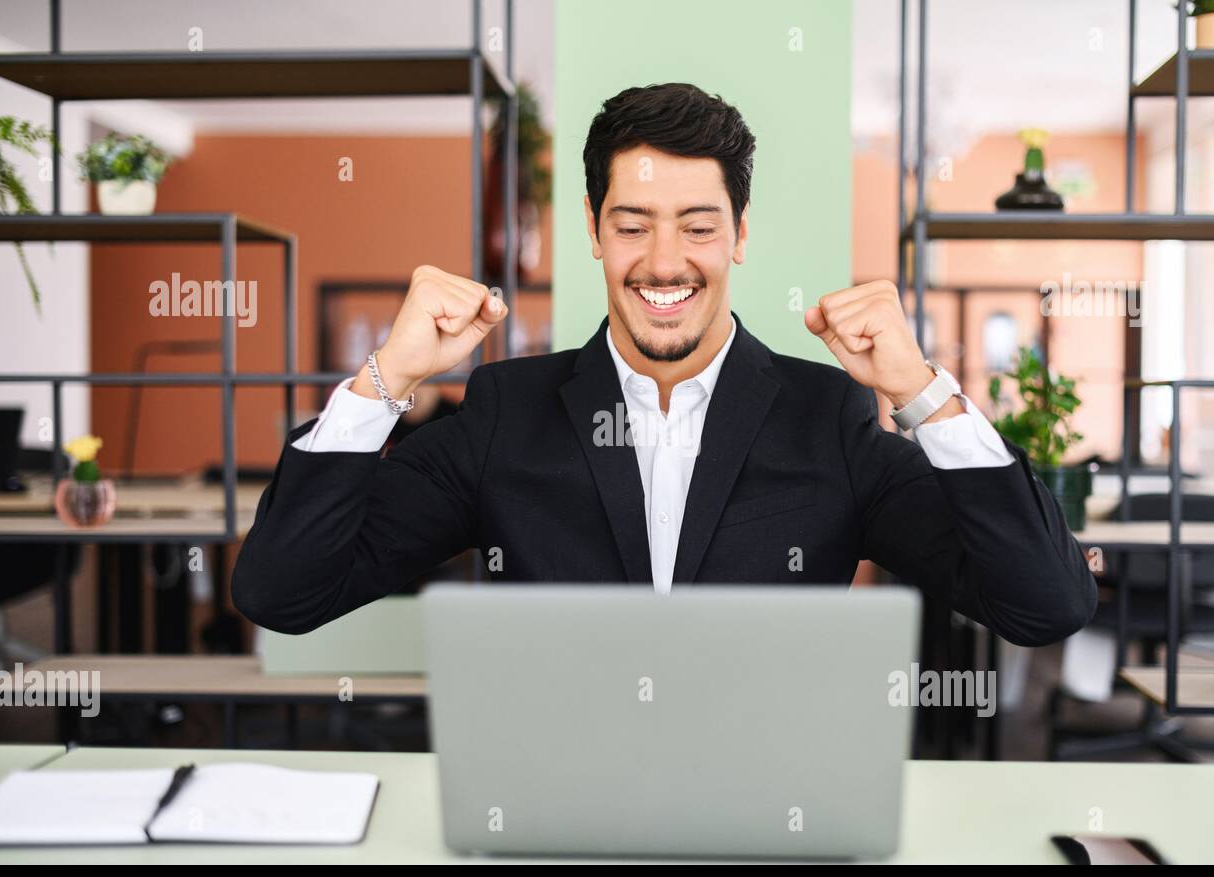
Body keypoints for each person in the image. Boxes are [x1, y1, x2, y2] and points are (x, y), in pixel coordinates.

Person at [232, 82, 1095, 645]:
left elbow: (1046, 605)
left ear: (741, 235)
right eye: (634, 224)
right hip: (553, 825)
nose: (664, 260)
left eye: (698, 224)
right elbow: (283, 593)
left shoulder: (825, 415)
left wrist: (924, 395)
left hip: (765, 825)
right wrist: (384, 380)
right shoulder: (506, 411)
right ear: (595, 231)